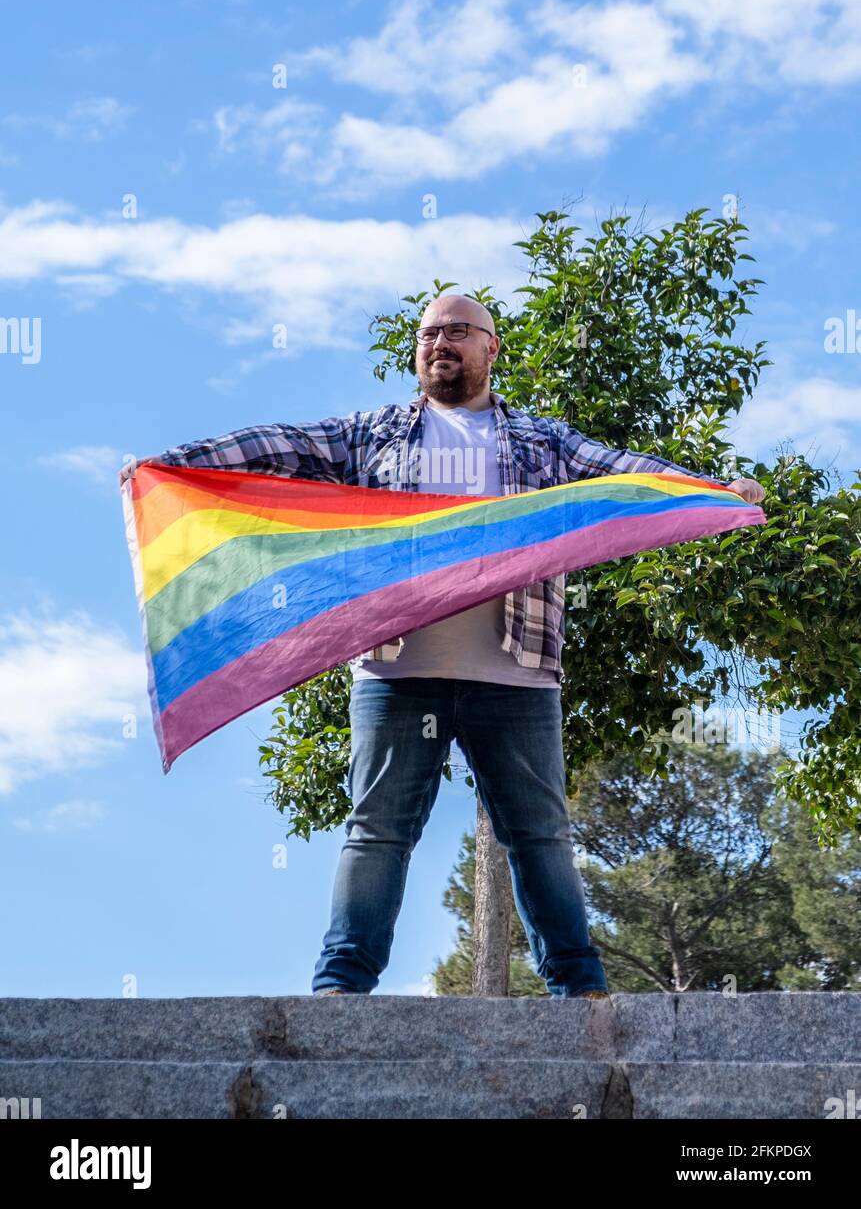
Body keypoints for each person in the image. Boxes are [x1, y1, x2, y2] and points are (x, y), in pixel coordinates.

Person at [119, 296, 765, 998]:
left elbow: (618, 471)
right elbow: (282, 444)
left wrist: (710, 492)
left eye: (458, 331)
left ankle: (580, 988)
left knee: (539, 835)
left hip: (516, 673)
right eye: (429, 333)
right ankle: (341, 985)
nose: (440, 343)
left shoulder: (540, 442)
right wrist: (172, 464)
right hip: (397, 671)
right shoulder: (373, 436)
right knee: (375, 833)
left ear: (491, 349)